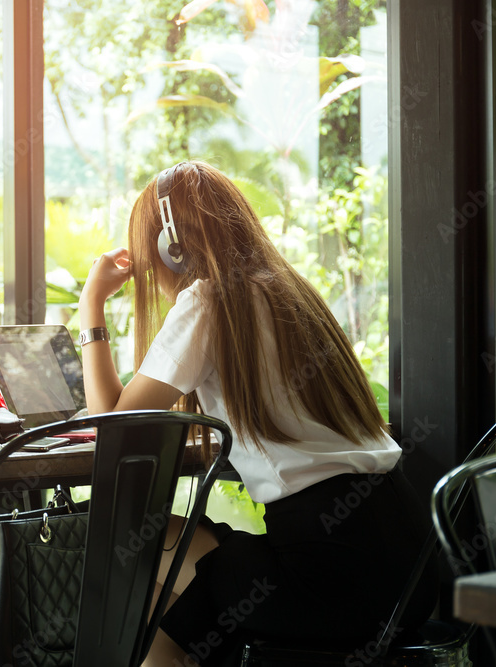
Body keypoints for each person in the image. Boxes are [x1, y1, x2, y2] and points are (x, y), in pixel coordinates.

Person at [79, 161, 437, 666]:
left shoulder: (208, 302)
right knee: (176, 595)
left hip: (334, 579)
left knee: (129, 540)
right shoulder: (289, 288)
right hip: (408, 565)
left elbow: (113, 428)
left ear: (172, 249)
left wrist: (91, 306)